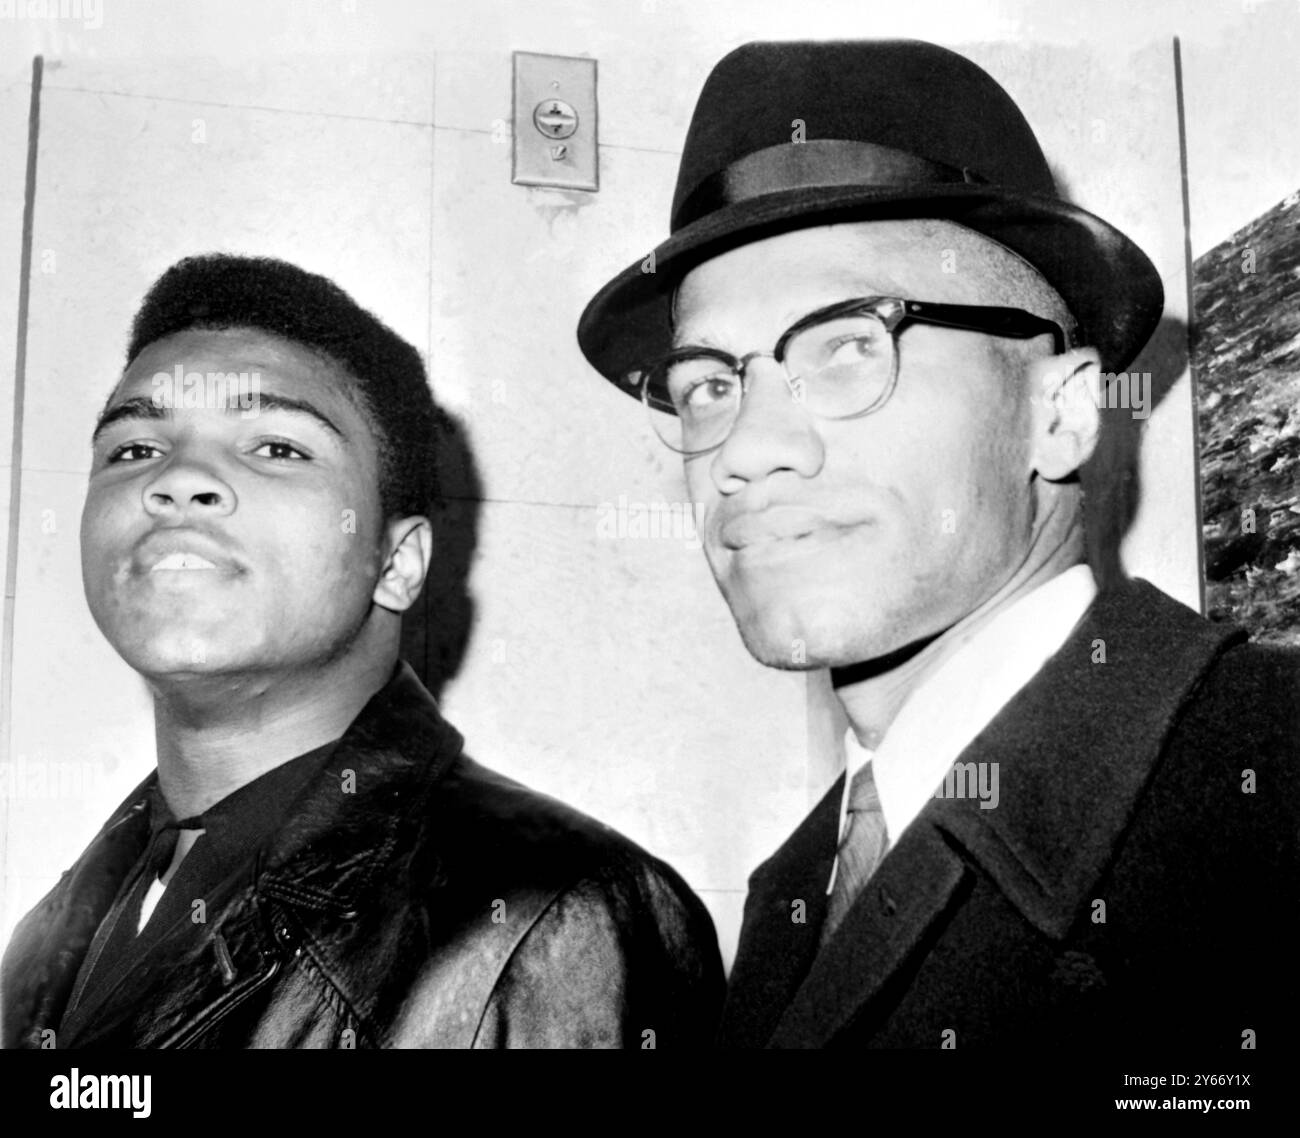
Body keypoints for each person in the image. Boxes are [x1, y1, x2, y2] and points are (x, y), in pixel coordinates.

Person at [577, 40, 1298, 1049]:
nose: (746, 446)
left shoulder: (1269, 788)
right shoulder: (798, 881)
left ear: (1060, 411)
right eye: (707, 383)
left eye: (844, 346)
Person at [2, 254, 723, 1049]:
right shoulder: (52, 931)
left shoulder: (548, 921)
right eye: (136, 449)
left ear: (397, 561)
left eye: (275, 447)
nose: (180, 480)